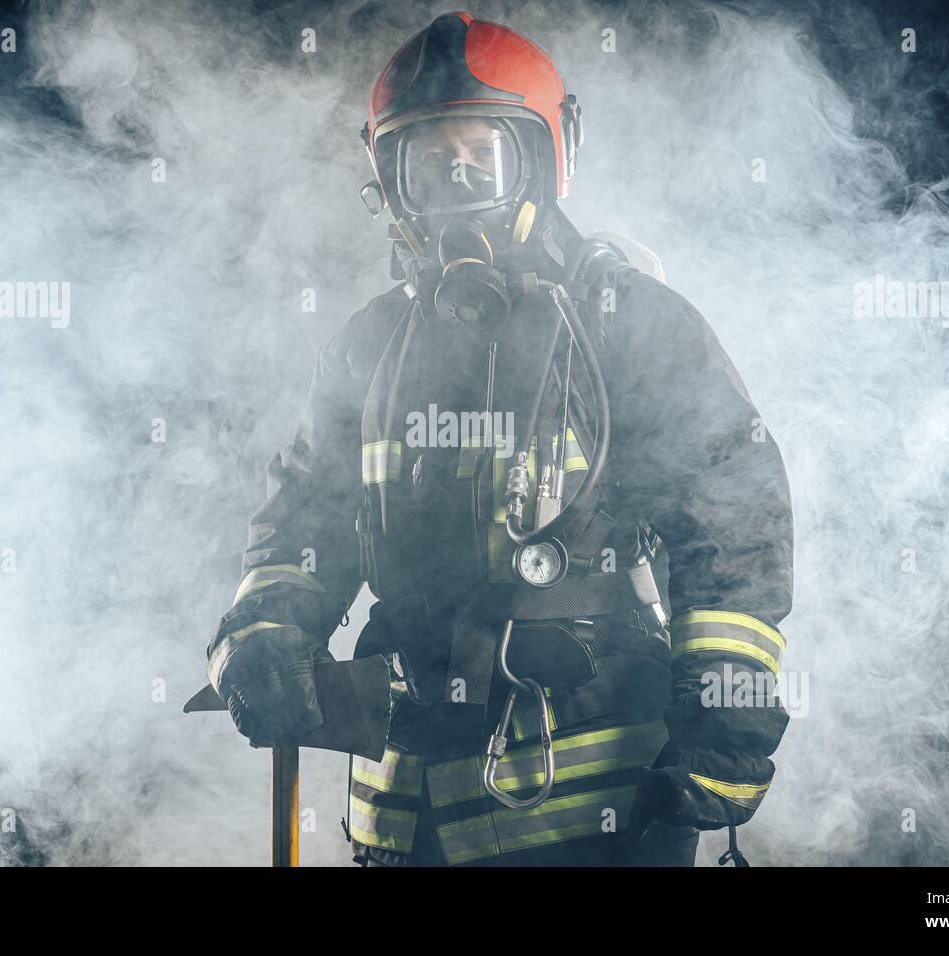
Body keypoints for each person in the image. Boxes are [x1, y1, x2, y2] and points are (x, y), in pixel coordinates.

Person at [207, 11, 794, 867]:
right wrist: (265, 626)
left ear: (544, 162)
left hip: (596, 803)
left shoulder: (630, 328)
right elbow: (304, 519)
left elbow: (735, 524)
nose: (458, 185)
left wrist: (728, 727)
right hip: (406, 812)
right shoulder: (368, 348)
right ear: (391, 185)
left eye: (483, 157)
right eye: (430, 164)